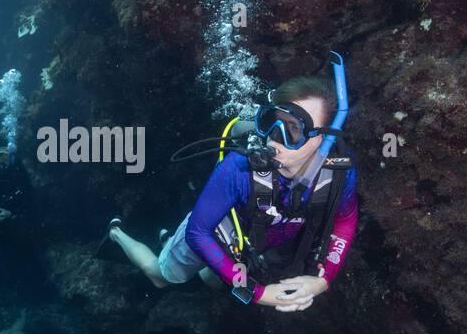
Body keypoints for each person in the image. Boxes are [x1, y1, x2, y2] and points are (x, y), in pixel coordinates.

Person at [107, 62, 358, 312]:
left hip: (245, 245)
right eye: (272, 121)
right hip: (208, 232)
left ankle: (172, 244)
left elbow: (344, 220)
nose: (274, 139)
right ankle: (116, 234)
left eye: (293, 129)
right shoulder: (238, 167)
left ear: (324, 138)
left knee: (211, 280)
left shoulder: (338, 176)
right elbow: (198, 232)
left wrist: (324, 279)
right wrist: (255, 293)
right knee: (160, 277)